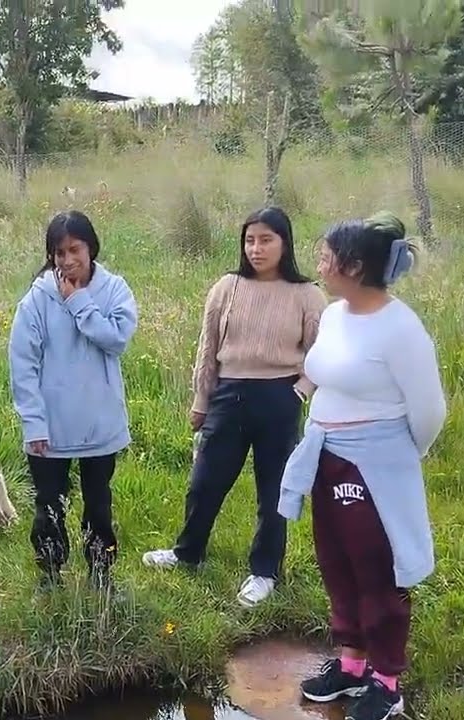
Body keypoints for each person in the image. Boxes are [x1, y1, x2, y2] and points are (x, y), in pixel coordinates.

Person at [278, 212, 446, 720]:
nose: (319, 263)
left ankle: (387, 680)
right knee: (337, 563)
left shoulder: (401, 328)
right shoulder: (334, 315)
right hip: (328, 457)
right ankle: (351, 666)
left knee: (378, 572)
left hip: (374, 466)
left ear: (353, 267)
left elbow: (430, 411)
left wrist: (394, 457)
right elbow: (325, 376)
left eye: (326, 256)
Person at [141, 206, 327, 608]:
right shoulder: (227, 287)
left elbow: (322, 355)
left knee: (274, 490)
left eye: (266, 240)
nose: (256, 249)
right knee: (205, 481)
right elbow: (208, 349)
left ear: (284, 243)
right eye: (250, 240)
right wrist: (201, 400)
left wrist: (301, 391)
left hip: (279, 398)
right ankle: (187, 552)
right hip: (228, 394)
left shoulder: (307, 294)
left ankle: (264, 572)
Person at [8, 210, 137, 591]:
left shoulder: (114, 290)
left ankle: (101, 574)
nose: (67, 260)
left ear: (91, 248)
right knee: (49, 505)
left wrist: (80, 302)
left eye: (74, 250)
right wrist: (33, 422)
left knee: (99, 505)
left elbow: (116, 340)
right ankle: (50, 575)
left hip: (100, 422)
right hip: (51, 427)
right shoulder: (35, 301)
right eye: (58, 253)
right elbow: (23, 366)